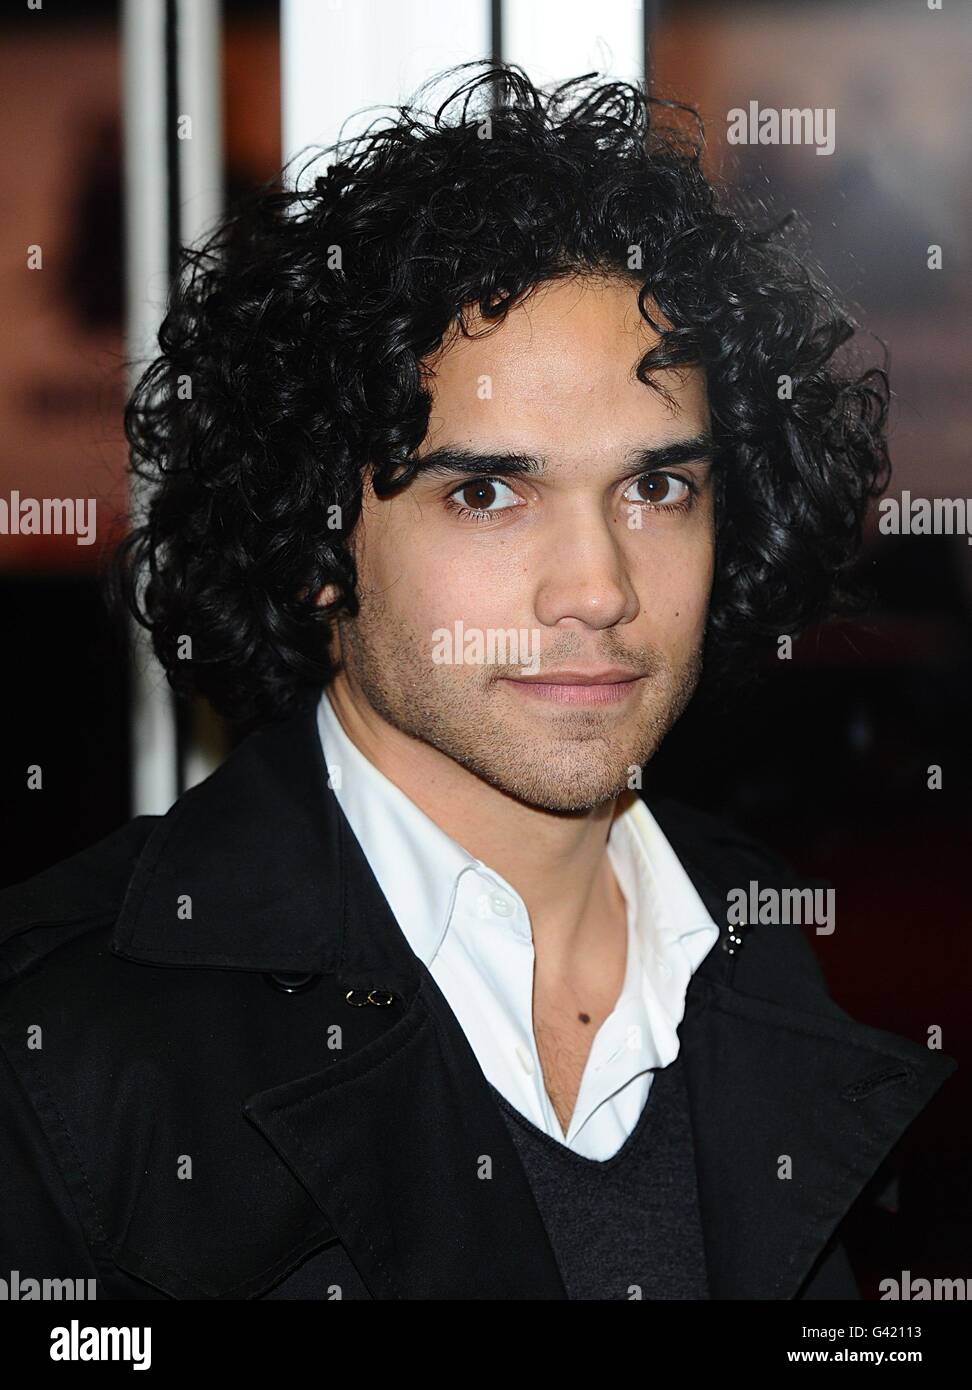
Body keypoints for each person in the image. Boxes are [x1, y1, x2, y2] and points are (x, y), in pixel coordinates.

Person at [0, 63, 955, 1300]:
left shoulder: (766, 949)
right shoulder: (67, 1054)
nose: (597, 586)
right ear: (315, 546)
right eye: (489, 492)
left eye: (656, 487)